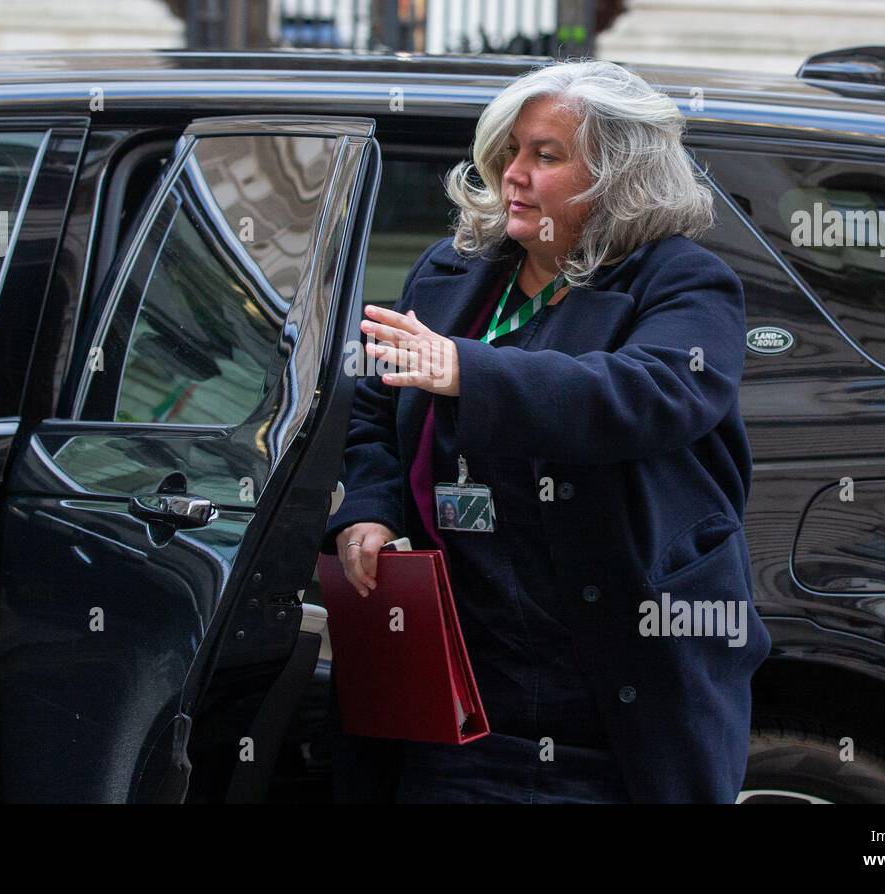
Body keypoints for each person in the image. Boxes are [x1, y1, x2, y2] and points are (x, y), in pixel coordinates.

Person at [321, 58, 772, 804]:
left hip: (613, 699)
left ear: (619, 178)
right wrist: (368, 511)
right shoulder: (452, 272)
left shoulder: (682, 282)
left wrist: (467, 370)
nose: (514, 175)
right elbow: (375, 406)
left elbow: (653, 393)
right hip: (462, 693)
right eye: (510, 152)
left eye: (547, 155)